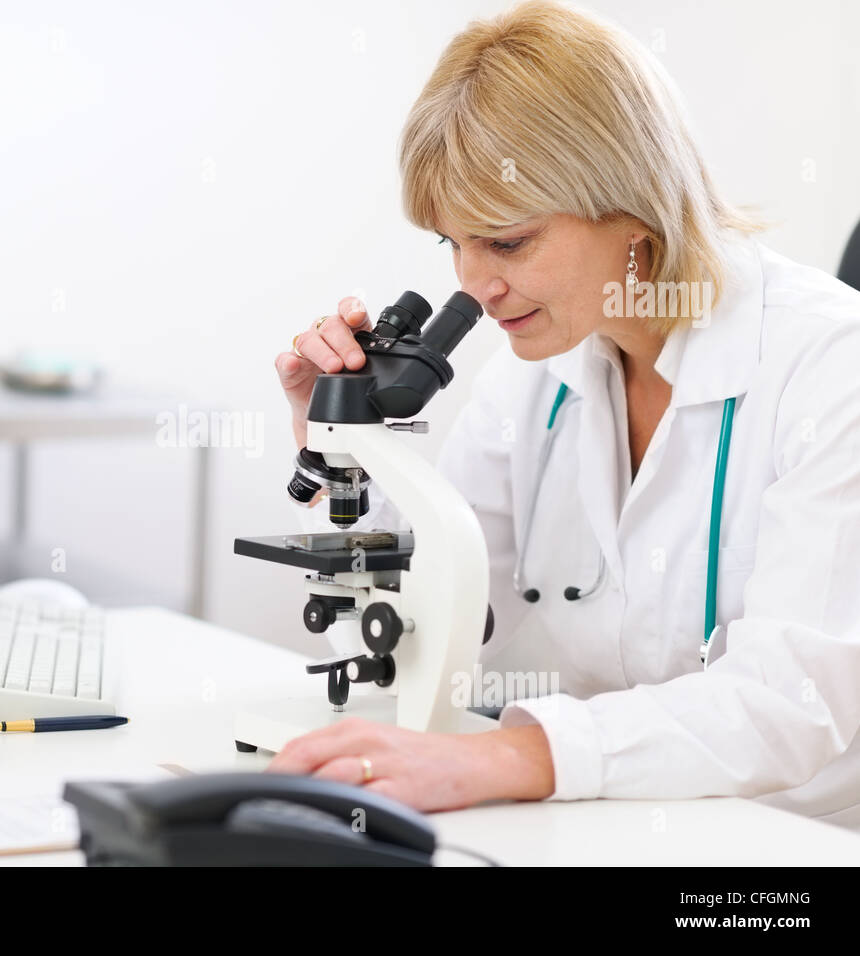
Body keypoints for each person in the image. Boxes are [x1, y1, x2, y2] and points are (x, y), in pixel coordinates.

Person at [268, 0, 860, 831]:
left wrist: (502, 758)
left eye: (507, 242)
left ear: (632, 207)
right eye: (453, 245)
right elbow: (431, 638)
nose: (473, 286)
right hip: (599, 824)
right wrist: (347, 458)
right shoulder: (538, 374)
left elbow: (787, 705)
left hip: (786, 849)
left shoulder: (834, 367)